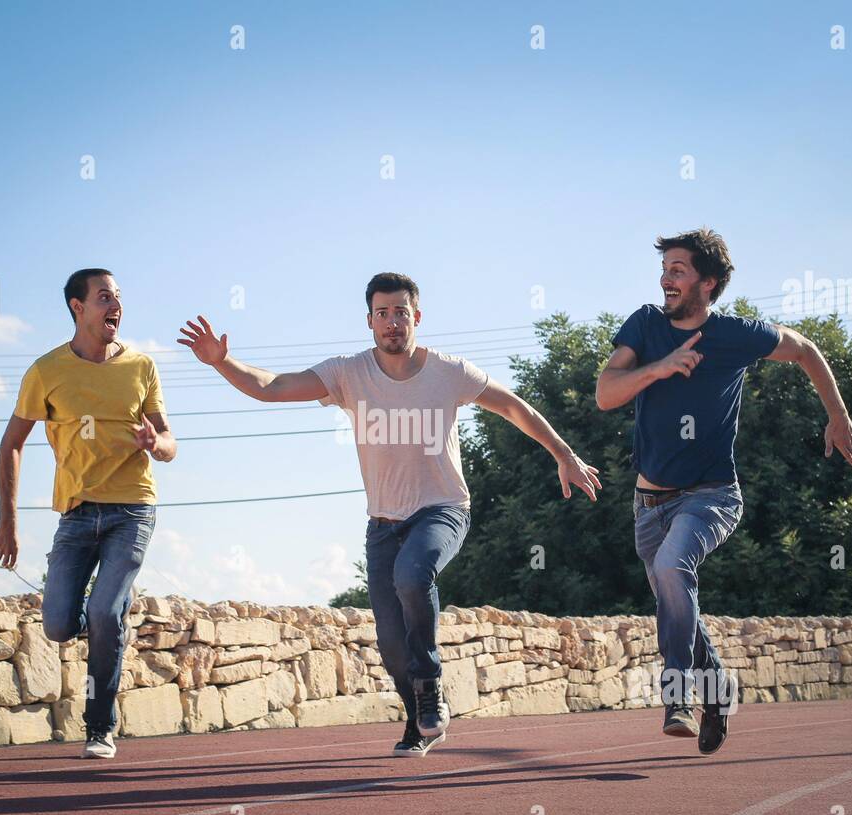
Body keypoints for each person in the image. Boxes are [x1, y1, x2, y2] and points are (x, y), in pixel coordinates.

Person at [178, 272, 600, 757]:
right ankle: (418, 718)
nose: (392, 322)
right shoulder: (348, 373)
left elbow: (512, 407)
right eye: (382, 314)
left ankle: (430, 685)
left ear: (416, 317)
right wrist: (222, 361)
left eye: (401, 312)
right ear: (370, 322)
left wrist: (563, 453)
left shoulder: (448, 371)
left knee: (414, 574)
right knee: (391, 644)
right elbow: (272, 387)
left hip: (443, 509)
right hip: (382, 525)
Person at [596, 229, 852, 755]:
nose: (665, 279)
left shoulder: (736, 335)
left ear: (708, 282)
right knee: (676, 599)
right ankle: (718, 688)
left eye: (678, 270)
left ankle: (677, 697)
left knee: (675, 571)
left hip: (712, 494)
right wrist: (659, 367)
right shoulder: (646, 325)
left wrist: (837, 416)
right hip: (648, 504)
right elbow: (606, 393)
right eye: (664, 269)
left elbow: (806, 350)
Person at [0, 268, 176, 759]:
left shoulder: (141, 366)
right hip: (74, 514)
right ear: (78, 307)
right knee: (56, 624)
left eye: (118, 297)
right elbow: (11, 444)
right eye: (104, 298)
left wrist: (156, 443)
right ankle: (110, 616)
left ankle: (99, 726)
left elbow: (170, 443)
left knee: (103, 611)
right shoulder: (46, 371)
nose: (115, 306)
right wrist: (8, 522)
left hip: (132, 508)